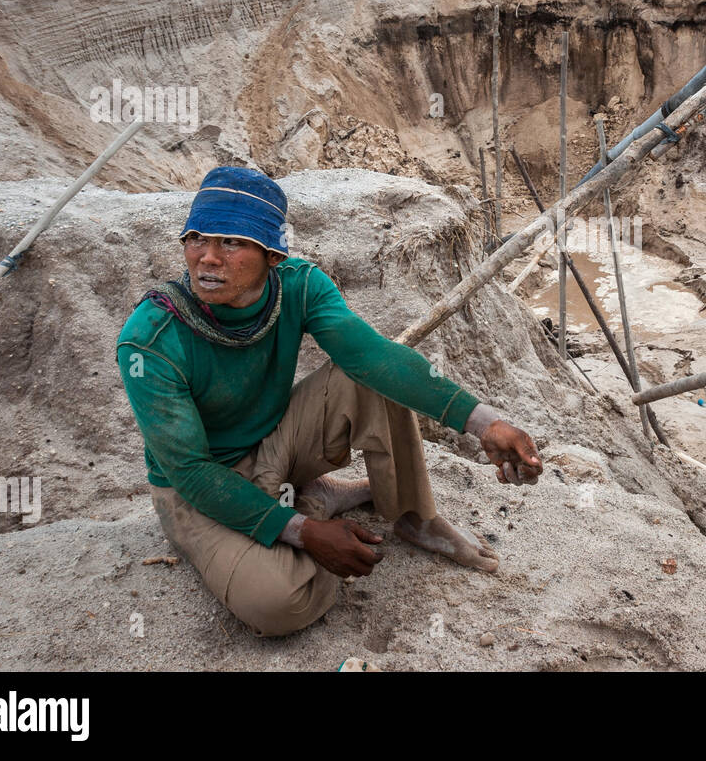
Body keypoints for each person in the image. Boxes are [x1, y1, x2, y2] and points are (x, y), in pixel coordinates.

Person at [117, 166, 541, 636]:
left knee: (367, 376)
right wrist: (305, 530)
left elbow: (374, 357)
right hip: (197, 488)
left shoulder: (299, 285)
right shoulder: (150, 339)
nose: (207, 258)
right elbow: (191, 471)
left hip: (274, 446)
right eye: (196, 238)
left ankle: (415, 518)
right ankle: (314, 504)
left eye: (230, 242)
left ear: (271, 254)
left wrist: (485, 423)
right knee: (280, 604)